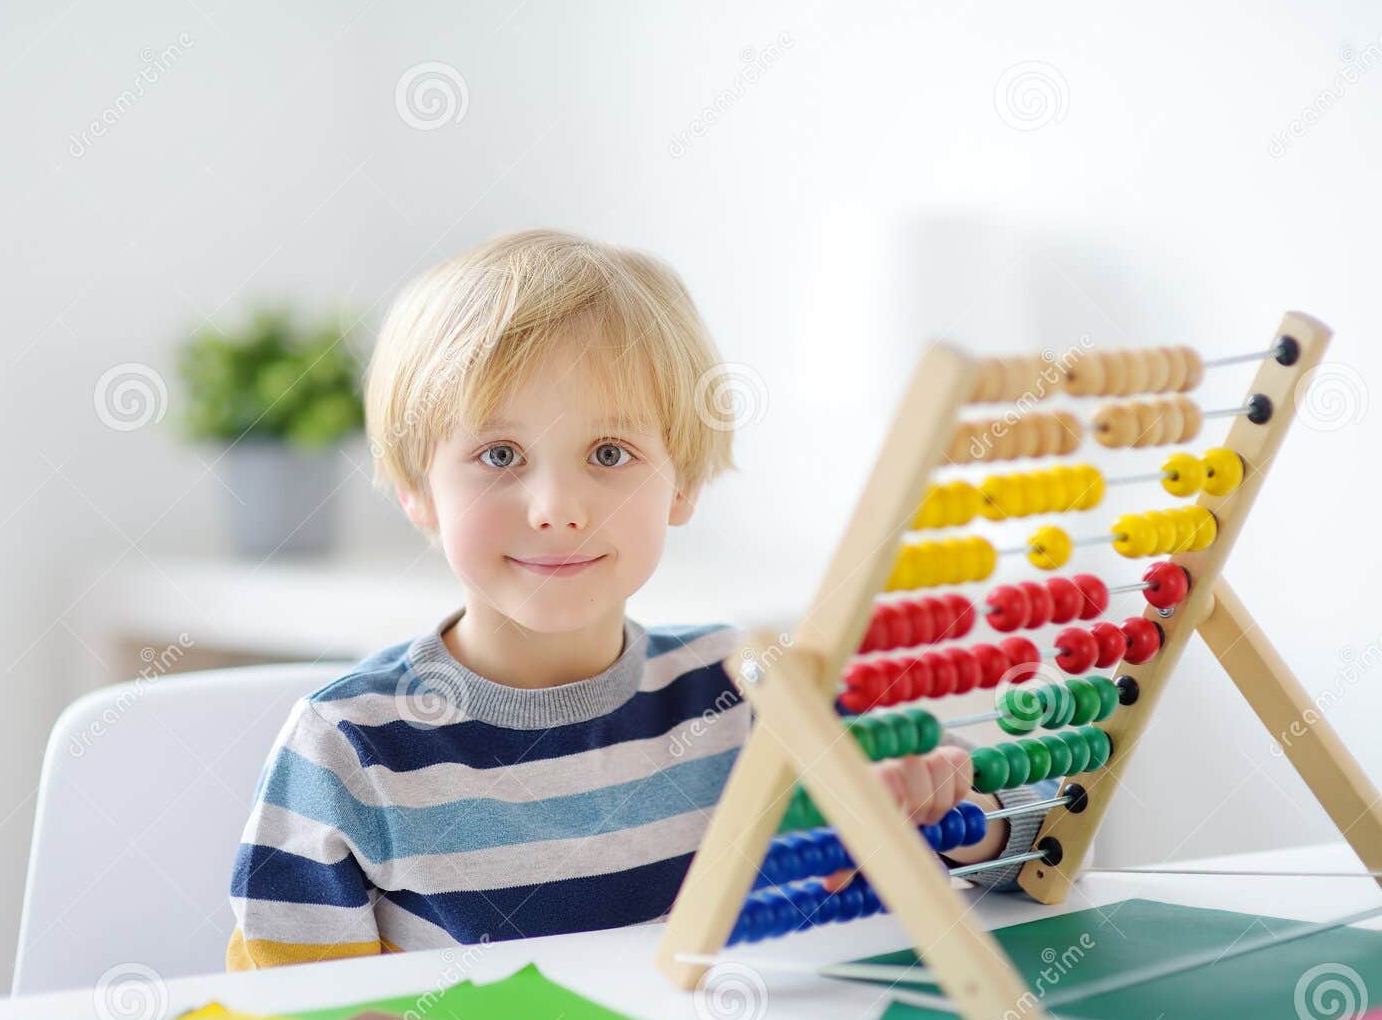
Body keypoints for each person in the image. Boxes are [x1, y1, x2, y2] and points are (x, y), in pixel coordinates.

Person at [226, 229, 1050, 971]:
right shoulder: (346, 751)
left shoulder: (748, 689)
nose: (557, 506)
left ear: (682, 482)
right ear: (417, 490)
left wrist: (953, 811)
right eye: (500, 453)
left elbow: (1019, 850)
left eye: (610, 452)